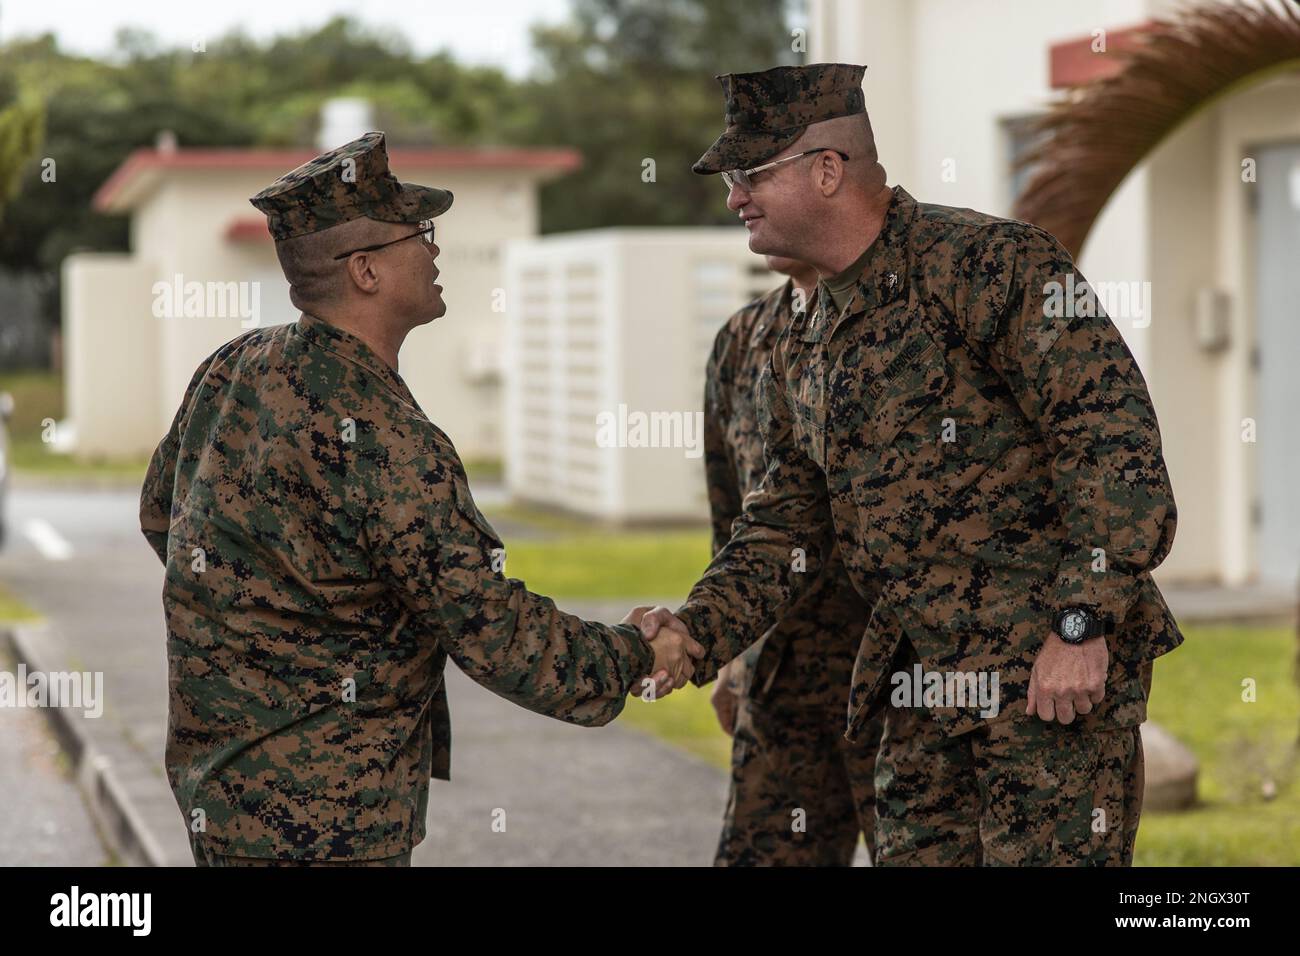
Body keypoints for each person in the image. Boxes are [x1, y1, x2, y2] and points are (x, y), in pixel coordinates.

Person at [641, 63, 1183, 866]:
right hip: (919, 690)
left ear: (829, 170)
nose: (735, 198)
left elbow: (1114, 447)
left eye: (751, 174)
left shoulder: (991, 265)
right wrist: (696, 631)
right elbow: (788, 516)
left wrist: (1082, 623)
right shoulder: (803, 330)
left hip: (1044, 684)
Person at [139, 131, 701, 867]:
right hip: (328, 821)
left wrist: (274, 620)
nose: (435, 251)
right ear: (366, 270)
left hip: (225, 792)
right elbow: (492, 630)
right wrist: (635, 653)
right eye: (419, 234)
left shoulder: (235, 367)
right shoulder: (390, 439)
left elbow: (161, 514)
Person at [704, 253, 880, 866]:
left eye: (757, 178)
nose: (739, 200)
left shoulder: (903, 316)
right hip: (785, 677)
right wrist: (728, 654)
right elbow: (734, 513)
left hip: (903, 678)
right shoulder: (743, 339)